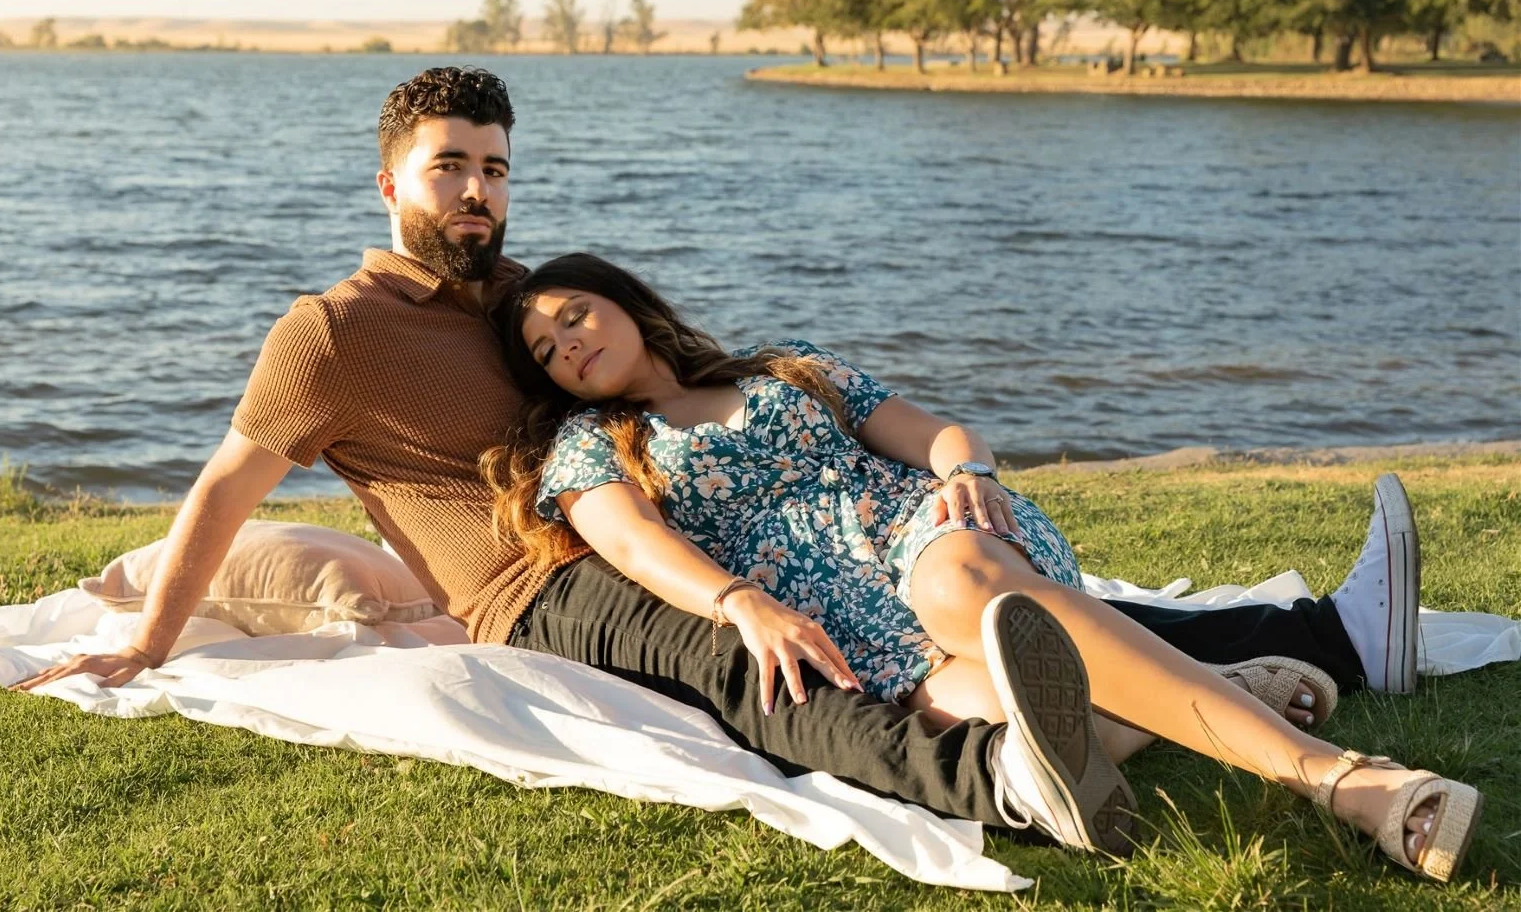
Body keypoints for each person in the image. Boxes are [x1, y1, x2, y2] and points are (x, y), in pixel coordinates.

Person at [11, 67, 1430, 864]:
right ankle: (999, 773)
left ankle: (1315, 643)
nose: (478, 190)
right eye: (449, 166)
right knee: (754, 669)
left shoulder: (510, 308)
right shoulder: (325, 337)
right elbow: (222, 493)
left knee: (1021, 612)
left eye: (496, 166)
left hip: (652, 521)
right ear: (390, 178)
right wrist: (144, 641)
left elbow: (646, 380)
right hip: (540, 579)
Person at [488, 252, 1482, 881]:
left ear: (623, 301)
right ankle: (1223, 684)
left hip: (937, 535)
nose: (565, 345)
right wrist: (739, 600)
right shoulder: (589, 451)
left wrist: (968, 469)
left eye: (574, 314)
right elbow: (630, 543)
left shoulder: (783, 364)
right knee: (999, 721)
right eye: (542, 348)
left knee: (963, 593)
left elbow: (932, 431)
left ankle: (1351, 785)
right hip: (863, 629)